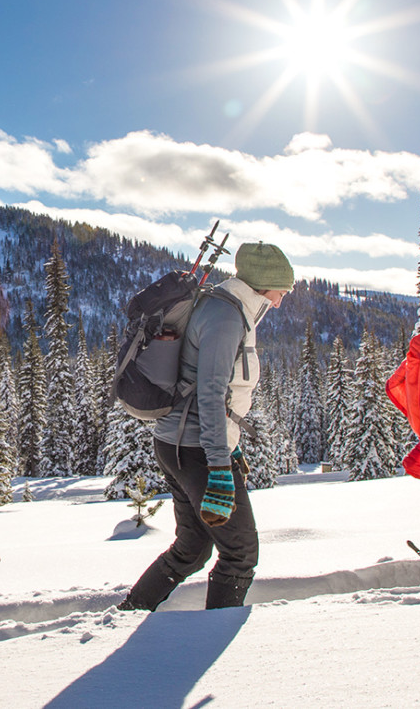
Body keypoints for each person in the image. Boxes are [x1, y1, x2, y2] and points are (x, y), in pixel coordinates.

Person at [118, 241, 294, 611]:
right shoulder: (226, 317)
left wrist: (232, 444)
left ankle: (132, 611)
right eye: (281, 291)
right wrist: (218, 466)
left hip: (179, 443)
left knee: (192, 548)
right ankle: (210, 638)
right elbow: (211, 394)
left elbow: (217, 390)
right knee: (240, 552)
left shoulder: (227, 308)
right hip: (195, 449)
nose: (281, 301)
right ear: (264, 284)